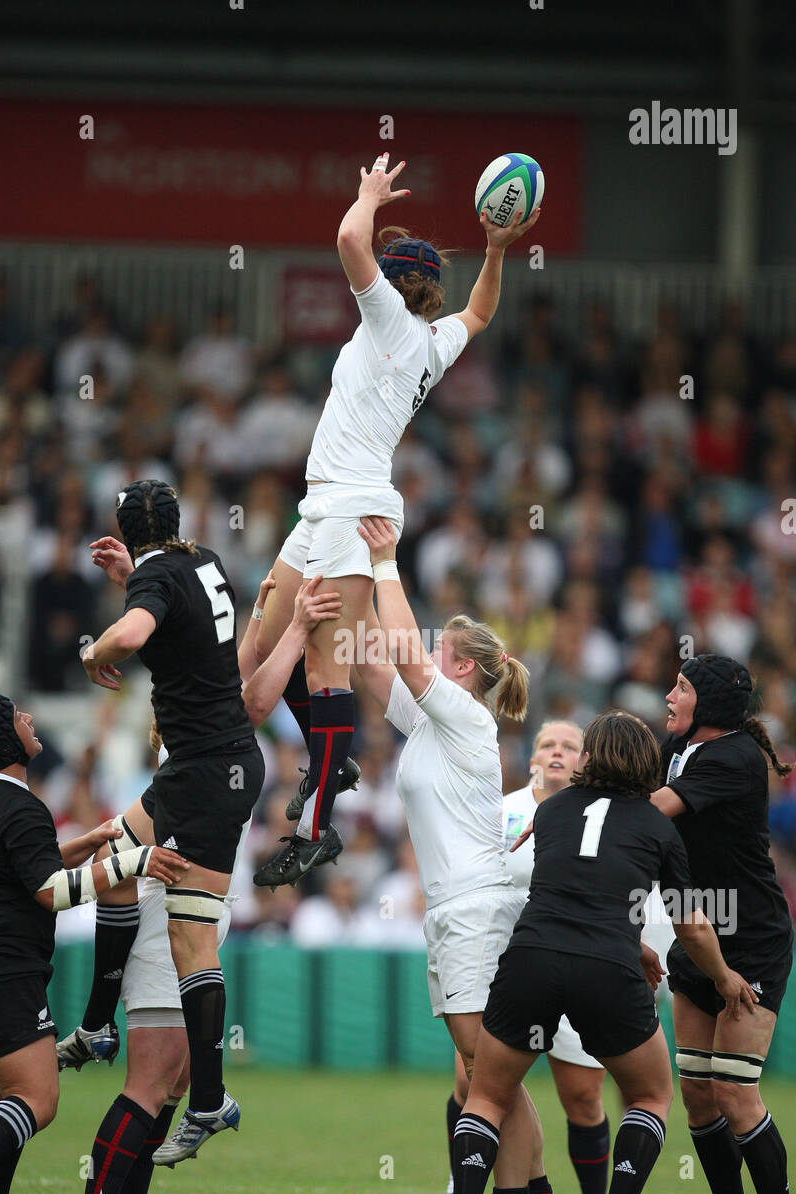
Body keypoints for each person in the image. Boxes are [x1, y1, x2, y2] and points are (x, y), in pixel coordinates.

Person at [251, 152, 539, 888]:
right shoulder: (433, 345)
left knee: (325, 659)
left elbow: (350, 241)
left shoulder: (385, 316)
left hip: (352, 503)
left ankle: (318, 824)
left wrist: (367, 196)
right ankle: (333, 755)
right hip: (325, 505)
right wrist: (498, 250)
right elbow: (479, 311)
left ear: (394, 281)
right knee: (263, 644)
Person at [59, 576, 341, 1194]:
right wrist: (294, 626)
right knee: (154, 1073)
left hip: (196, 907)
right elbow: (246, 692)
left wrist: (260, 615)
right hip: (165, 907)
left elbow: (227, 667)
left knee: (178, 1073)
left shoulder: (202, 730)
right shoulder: (202, 744)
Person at [424, 710, 757, 1194]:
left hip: (531, 958)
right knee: (650, 1095)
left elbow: (569, 885)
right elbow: (692, 925)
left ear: (589, 757)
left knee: (485, 1092)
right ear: (647, 762)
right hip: (607, 968)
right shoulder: (658, 825)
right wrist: (723, 977)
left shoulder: (549, 810)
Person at [357, 515, 568, 1194]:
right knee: (490, 1070)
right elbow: (370, 667)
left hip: (476, 908)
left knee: (488, 1072)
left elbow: (406, 657)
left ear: (466, 671)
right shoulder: (431, 722)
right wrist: (339, 581)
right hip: (456, 911)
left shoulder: (467, 718)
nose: (429, 662)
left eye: (443, 655)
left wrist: (385, 558)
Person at [76, 480, 265, 1167]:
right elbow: (174, 609)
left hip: (199, 772)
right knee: (169, 911)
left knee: (125, 876)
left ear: (127, 534)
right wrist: (136, 577)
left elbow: (131, 633)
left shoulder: (156, 576)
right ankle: (198, 1092)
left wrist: (94, 652)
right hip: (225, 766)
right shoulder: (206, 561)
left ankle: (102, 1028)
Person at [0, 693, 184, 1194]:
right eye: (17, 715)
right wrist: (134, 860)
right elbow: (49, 892)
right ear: (2, 738)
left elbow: (19, 867)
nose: (30, 720)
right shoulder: (19, 805)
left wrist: (84, 843)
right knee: (38, 1097)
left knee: (12, 1092)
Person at [651, 653, 796, 1194]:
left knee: (736, 1093)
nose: (668, 696)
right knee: (698, 1093)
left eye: (681, 687)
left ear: (708, 703)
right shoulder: (681, 752)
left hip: (752, 942)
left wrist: (582, 803)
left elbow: (653, 811)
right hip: (697, 934)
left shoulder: (735, 757)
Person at [437, 720, 613, 1194]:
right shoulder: (502, 811)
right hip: (504, 968)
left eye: (569, 745)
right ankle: (461, 1189)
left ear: (586, 759)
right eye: (546, 744)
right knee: (475, 1080)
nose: (557, 752)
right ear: (532, 755)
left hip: (576, 964)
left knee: (581, 1095)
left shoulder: (600, 816)